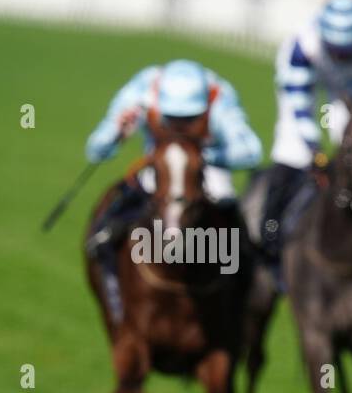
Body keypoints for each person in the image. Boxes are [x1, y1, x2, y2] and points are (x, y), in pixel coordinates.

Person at [83, 59, 261, 320]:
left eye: (189, 118)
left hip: (206, 173)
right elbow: (95, 150)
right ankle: (117, 307)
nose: (180, 126)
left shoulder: (218, 94)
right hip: (157, 172)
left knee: (242, 241)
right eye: (173, 119)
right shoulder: (143, 88)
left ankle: (236, 310)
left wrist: (192, 158)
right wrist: (116, 131)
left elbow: (250, 152)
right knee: (103, 231)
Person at [259, 0, 352, 262]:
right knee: (291, 148)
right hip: (306, 85)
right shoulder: (301, 46)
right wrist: (314, 150)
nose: (342, 55)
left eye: (348, 50)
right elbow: (300, 106)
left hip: (347, 89)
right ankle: (269, 228)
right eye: (336, 50)